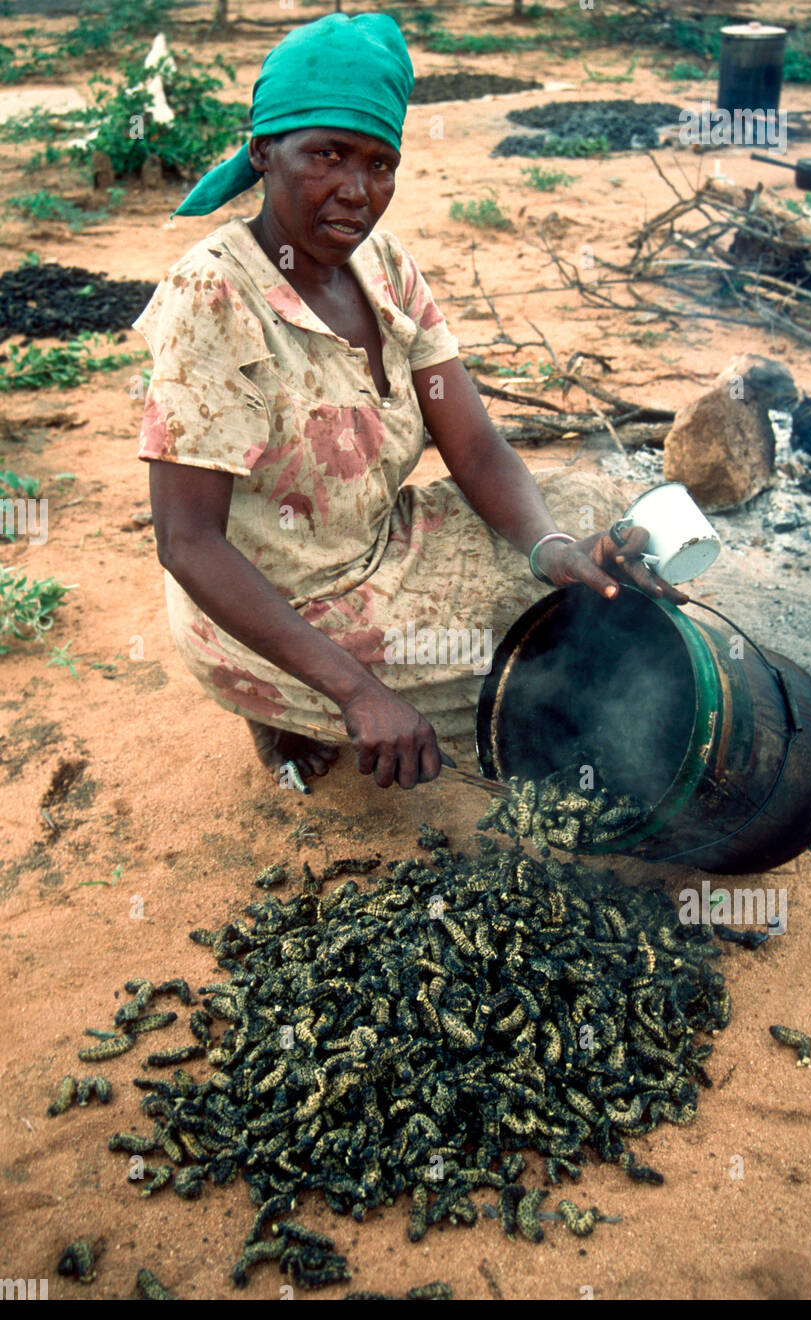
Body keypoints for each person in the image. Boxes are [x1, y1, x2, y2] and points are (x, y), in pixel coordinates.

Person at [135, 12, 685, 794]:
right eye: (327, 155)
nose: (357, 191)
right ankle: (285, 702)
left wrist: (547, 546)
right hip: (273, 604)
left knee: (598, 534)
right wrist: (360, 691)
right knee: (545, 661)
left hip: (384, 546)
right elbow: (188, 541)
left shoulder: (383, 267)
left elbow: (477, 449)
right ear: (263, 151)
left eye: (380, 163)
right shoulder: (214, 296)